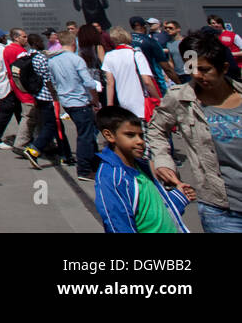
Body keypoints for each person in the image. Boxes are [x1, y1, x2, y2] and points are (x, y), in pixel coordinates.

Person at [147, 33, 242, 232]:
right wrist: (163, 161)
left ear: (224, 68)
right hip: (222, 212)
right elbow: (156, 129)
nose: (197, 75)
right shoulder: (181, 98)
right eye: (192, 68)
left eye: (205, 69)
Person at [94, 106, 191, 233]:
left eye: (141, 136)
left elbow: (155, 211)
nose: (140, 141)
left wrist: (180, 196)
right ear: (109, 135)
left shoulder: (141, 166)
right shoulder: (112, 177)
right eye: (130, 135)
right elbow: (118, 224)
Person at [43, 31, 101, 180]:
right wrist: (95, 98)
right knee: (85, 136)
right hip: (80, 100)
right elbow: (88, 82)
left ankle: (94, 163)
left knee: (87, 133)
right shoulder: (77, 59)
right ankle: (84, 169)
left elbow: (52, 82)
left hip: (66, 101)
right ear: (74, 43)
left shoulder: (52, 61)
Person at [23, 33, 74, 168]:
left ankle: (65, 155)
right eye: (40, 40)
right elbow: (48, 79)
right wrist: (55, 95)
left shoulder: (27, 56)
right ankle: (34, 149)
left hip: (38, 96)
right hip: (47, 97)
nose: (42, 42)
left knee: (56, 126)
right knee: (52, 125)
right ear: (36, 42)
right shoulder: (40, 58)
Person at [102, 26, 160, 119]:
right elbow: (147, 81)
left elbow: (110, 83)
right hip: (141, 102)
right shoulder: (136, 54)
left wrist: (110, 105)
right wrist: (158, 100)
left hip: (123, 101)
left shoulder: (109, 56)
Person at [3, 28, 37, 155]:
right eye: (24, 36)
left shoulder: (7, 49)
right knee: (29, 115)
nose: (26, 39)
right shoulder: (18, 51)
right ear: (16, 38)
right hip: (25, 88)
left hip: (17, 85)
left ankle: (37, 140)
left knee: (32, 115)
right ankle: (21, 143)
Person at [130, 16, 177, 95]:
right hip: (154, 81)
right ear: (142, 26)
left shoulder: (127, 40)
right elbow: (166, 66)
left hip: (136, 83)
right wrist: (179, 83)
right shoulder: (150, 41)